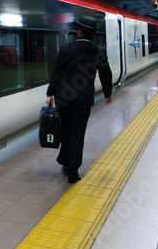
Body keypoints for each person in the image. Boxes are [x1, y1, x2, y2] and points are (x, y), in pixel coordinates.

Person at [46, 15, 113, 183]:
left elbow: (57, 72)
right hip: (83, 99)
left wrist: (50, 93)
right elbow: (106, 74)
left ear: (80, 31)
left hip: (63, 97)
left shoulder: (66, 48)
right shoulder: (98, 51)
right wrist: (107, 94)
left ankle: (65, 161)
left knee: (67, 130)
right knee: (77, 133)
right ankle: (72, 170)